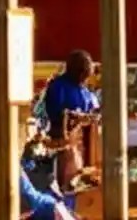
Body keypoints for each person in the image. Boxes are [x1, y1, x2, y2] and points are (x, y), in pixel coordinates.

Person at [39, 50, 100, 204]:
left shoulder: (85, 91)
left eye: (87, 75)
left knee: (81, 183)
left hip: (83, 145)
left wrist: (94, 115)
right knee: (65, 185)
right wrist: (74, 116)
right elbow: (54, 112)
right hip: (62, 145)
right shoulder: (58, 86)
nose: (85, 78)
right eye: (83, 74)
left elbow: (94, 109)